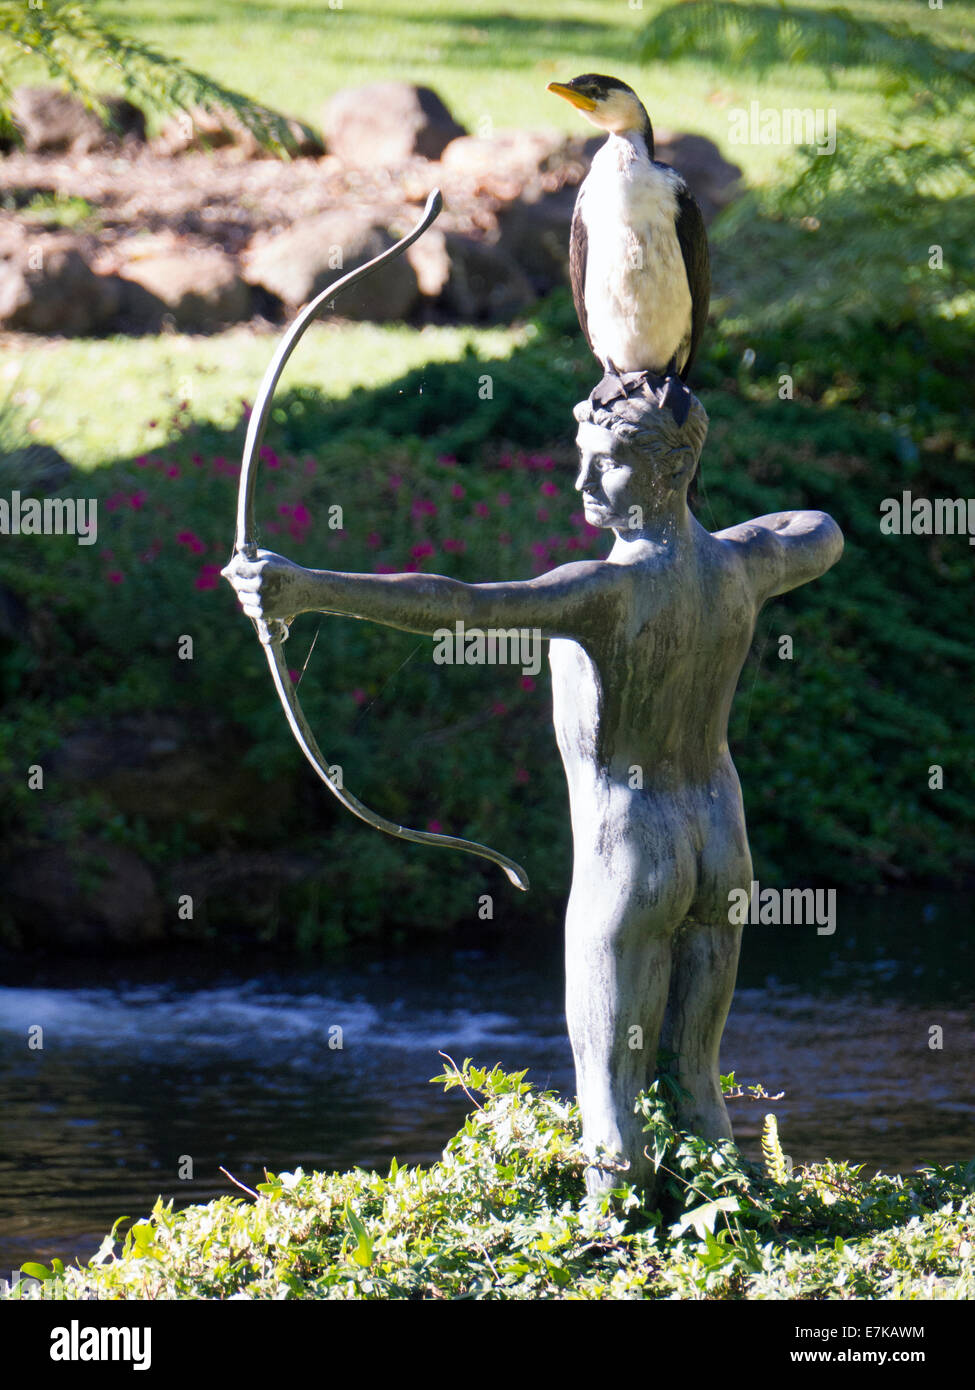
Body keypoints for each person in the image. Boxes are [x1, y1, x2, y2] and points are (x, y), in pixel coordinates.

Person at [222, 386, 843, 1191]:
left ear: (679, 464)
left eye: (610, 463)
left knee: (611, 1097)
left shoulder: (603, 591)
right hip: (721, 849)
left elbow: (460, 606)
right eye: (579, 457)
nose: (583, 483)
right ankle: (725, 1239)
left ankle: (614, 1251)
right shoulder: (743, 565)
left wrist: (313, 589)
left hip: (633, 857)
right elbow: (818, 529)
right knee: (692, 1082)